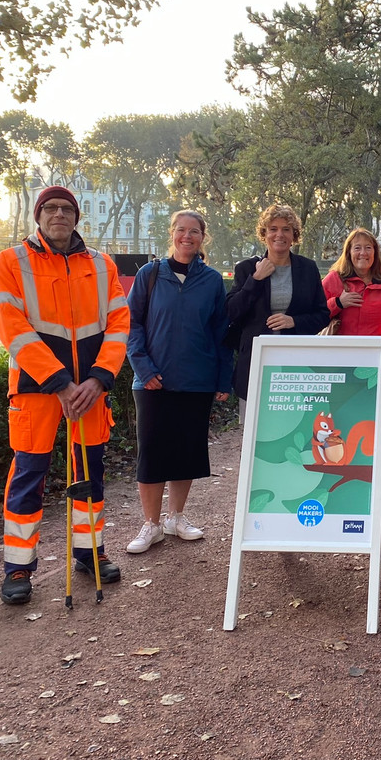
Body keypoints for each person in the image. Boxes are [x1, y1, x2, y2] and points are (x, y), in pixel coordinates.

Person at [0, 185, 130, 605]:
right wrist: (60, 382)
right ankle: (18, 567)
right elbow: (11, 326)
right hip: (37, 389)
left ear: (76, 217)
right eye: (50, 208)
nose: (58, 215)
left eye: (66, 209)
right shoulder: (10, 261)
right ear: (38, 217)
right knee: (28, 475)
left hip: (89, 391)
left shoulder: (103, 265)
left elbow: (119, 325)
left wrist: (97, 380)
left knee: (90, 474)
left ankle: (90, 553)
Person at [124, 210, 233, 554]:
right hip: (153, 382)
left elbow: (220, 334)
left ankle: (176, 517)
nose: (188, 236)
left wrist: (222, 378)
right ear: (172, 234)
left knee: (186, 452)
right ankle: (151, 524)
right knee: (153, 454)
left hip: (196, 381)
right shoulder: (149, 274)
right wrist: (143, 369)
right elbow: (132, 325)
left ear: (203, 237)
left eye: (195, 231)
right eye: (181, 230)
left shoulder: (213, 280)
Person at [225, 203, 329, 402]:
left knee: (293, 424)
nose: (279, 235)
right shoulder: (247, 269)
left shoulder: (308, 268)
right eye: (273, 229)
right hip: (256, 361)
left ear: (294, 236)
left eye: (286, 229)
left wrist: (294, 321)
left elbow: (322, 314)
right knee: (254, 428)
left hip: (296, 362)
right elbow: (231, 311)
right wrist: (255, 279)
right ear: (264, 234)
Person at [321, 227, 381, 381]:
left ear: (375, 252)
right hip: (337, 362)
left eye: (368, 248)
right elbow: (314, 314)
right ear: (349, 252)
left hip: (374, 363)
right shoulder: (333, 280)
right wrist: (338, 303)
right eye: (357, 248)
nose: (363, 253)